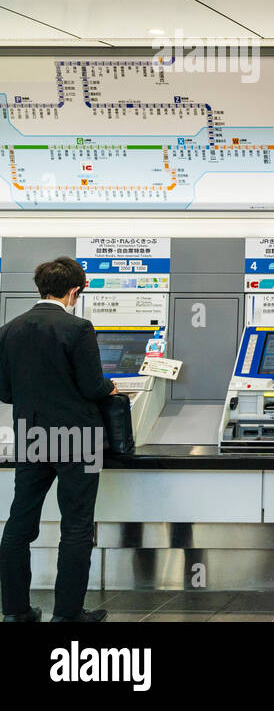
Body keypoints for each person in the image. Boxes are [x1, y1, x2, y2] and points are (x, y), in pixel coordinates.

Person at [0, 257, 120, 623]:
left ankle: (17, 611)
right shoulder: (78, 328)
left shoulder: (9, 329)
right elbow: (91, 386)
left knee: (19, 522)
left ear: (40, 288)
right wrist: (110, 387)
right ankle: (67, 615)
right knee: (77, 524)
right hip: (78, 436)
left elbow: (5, 392)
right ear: (75, 290)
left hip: (33, 433)